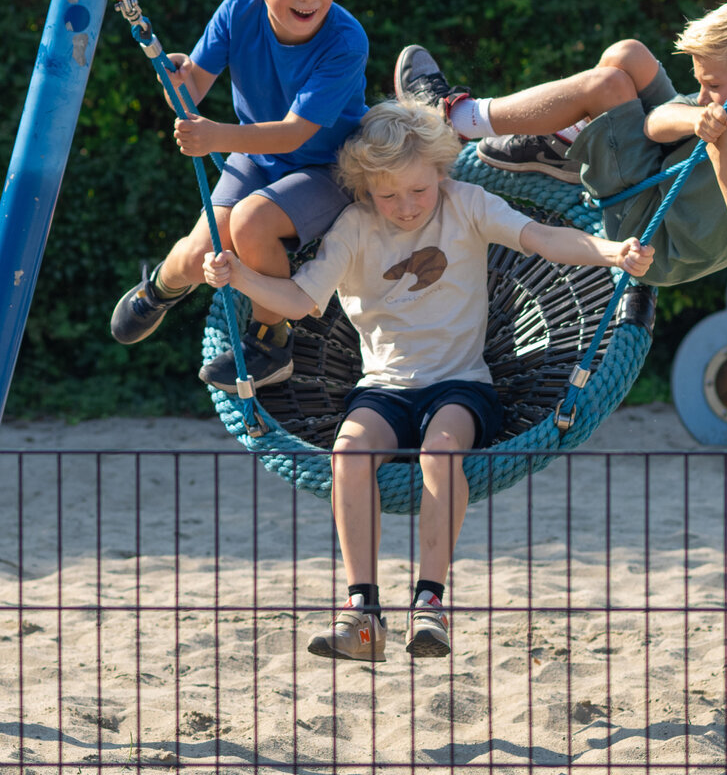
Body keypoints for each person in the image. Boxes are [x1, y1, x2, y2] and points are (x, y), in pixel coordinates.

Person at [202, 97, 654, 662]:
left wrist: (613, 252)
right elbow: (298, 299)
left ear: (441, 171)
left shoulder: (465, 204)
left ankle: (429, 604)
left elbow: (544, 239)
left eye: (419, 190)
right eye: (388, 195)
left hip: (461, 384)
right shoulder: (355, 226)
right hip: (384, 388)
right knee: (348, 455)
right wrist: (239, 276)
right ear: (365, 189)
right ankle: (361, 611)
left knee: (441, 452)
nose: (407, 206)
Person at [110, 0, 369, 394]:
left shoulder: (346, 40)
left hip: (326, 167)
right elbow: (189, 95)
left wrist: (216, 136)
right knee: (197, 254)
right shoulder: (237, 9)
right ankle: (162, 287)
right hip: (254, 158)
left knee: (251, 222)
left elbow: (295, 132)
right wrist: (178, 78)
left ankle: (272, 340)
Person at [394, 0, 727, 287]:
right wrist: (696, 117)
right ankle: (570, 146)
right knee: (628, 55)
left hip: (650, 234)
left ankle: (456, 118)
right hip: (658, 173)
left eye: (713, 87)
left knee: (608, 86)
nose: (704, 97)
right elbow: (655, 125)